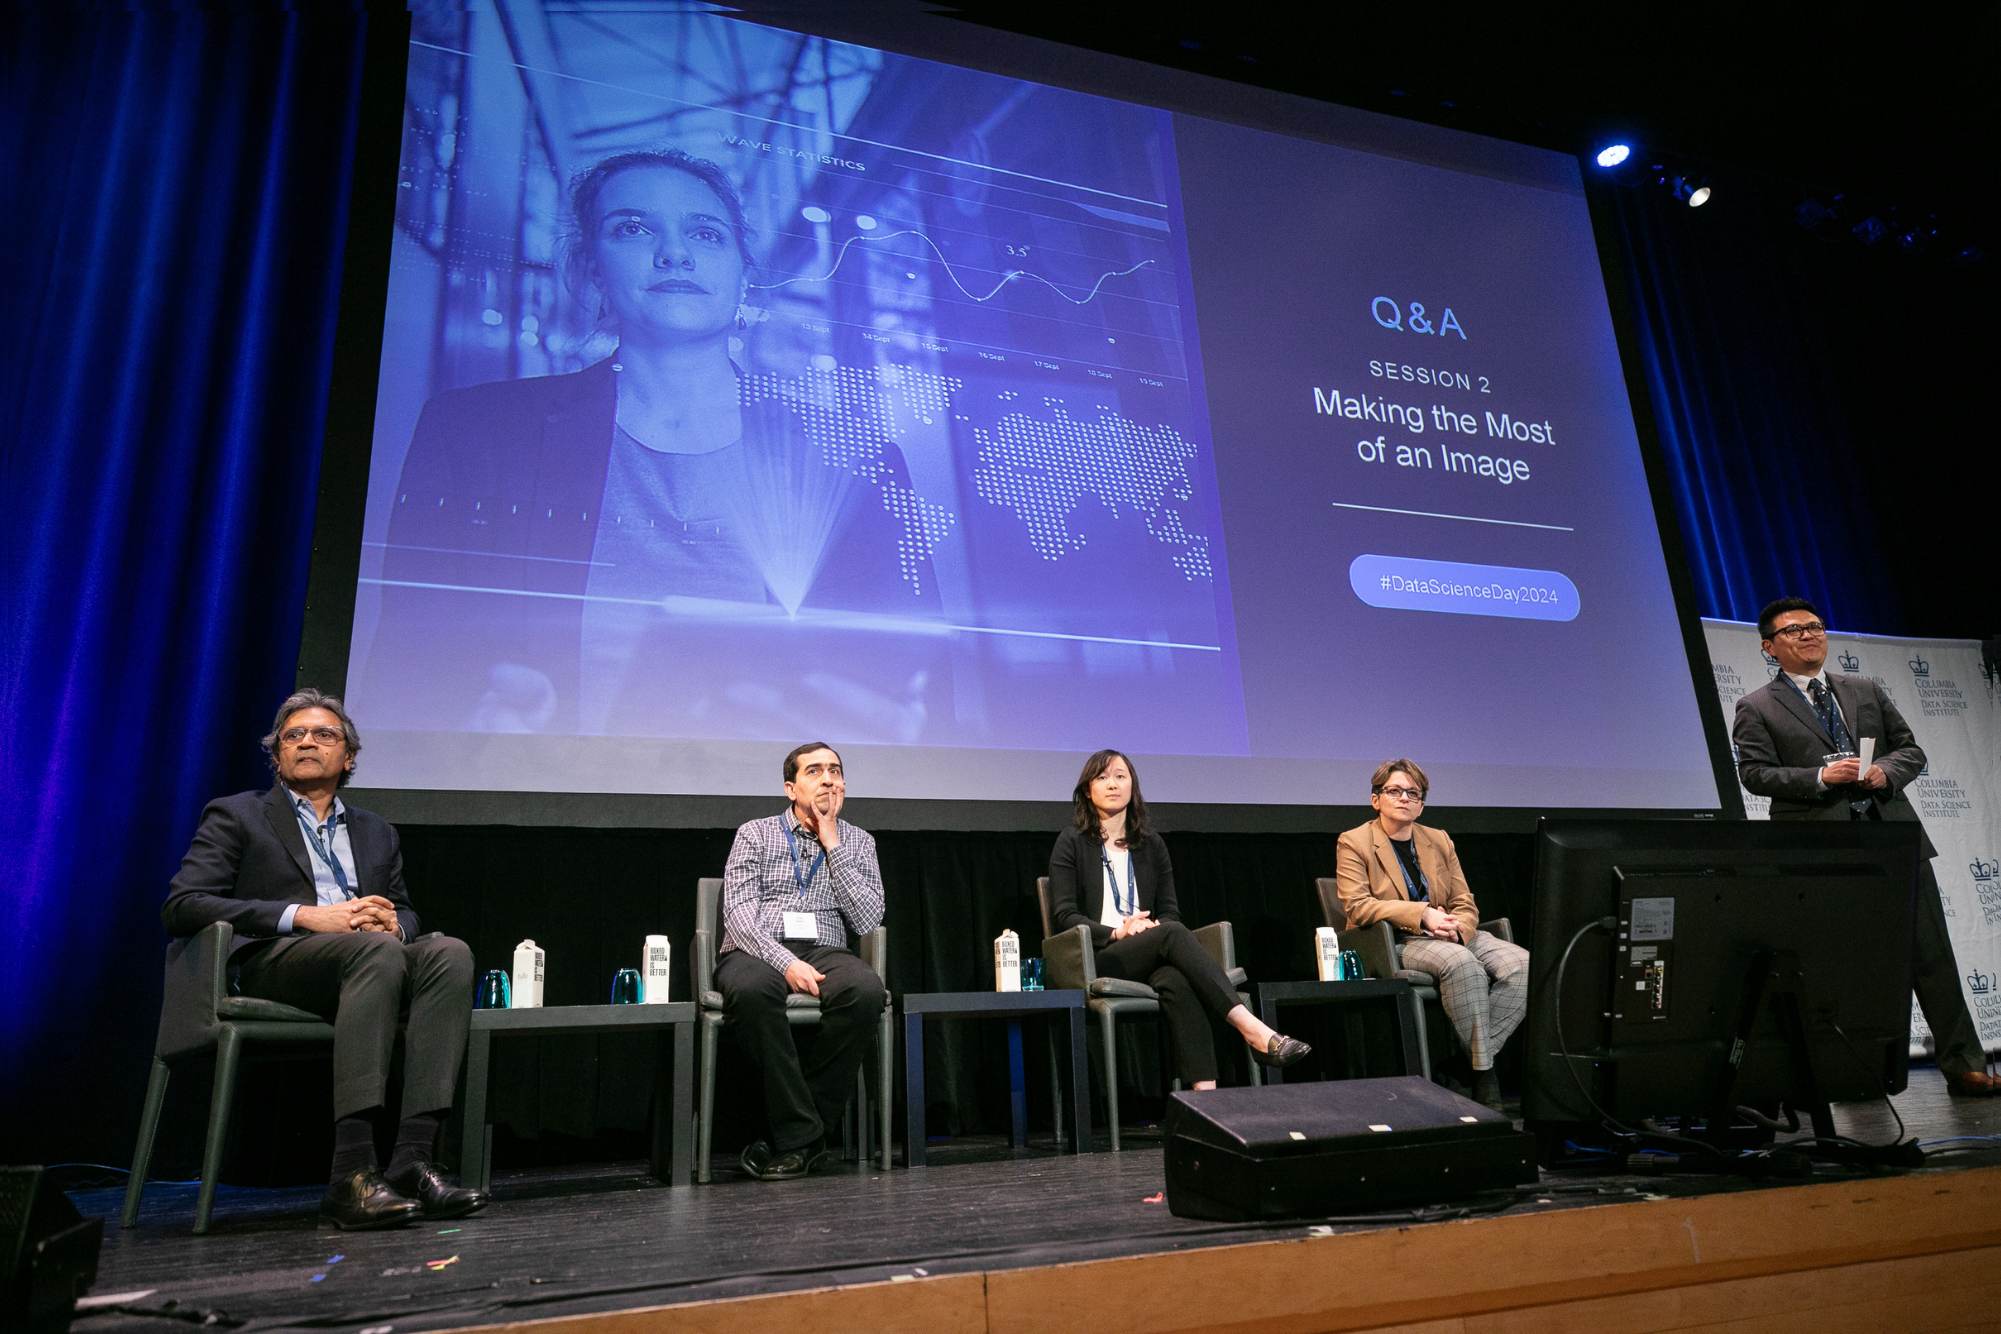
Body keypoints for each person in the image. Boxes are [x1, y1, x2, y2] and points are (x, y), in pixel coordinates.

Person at [358, 148, 941, 739]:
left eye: (707, 234)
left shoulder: (855, 457)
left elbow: (919, 679)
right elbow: (405, 666)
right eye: (632, 228)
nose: (676, 253)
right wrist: (461, 734)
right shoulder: (475, 431)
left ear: (744, 275)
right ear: (591, 270)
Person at [161, 690, 486, 1228]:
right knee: (375, 952)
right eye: (294, 736)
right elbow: (184, 904)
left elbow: (404, 909)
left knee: (449, 954)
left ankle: (412, 1160)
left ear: (348, 757)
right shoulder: (238, 815)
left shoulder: (376, 830)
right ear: (278, 756)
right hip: (277, 962)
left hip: (368, 958)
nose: (308, 741)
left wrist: (395, 923)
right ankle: (352, 1172)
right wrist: (305, 915)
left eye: (324, 735)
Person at [1732, 596, 1996, 1097]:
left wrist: (1885, 773)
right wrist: (1819, 775)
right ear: (1770, 647)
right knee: (1838, 964)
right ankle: (1849, 1071)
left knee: (1931, 956)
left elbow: (1910, 750)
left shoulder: (1864, 689)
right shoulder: (1756, 705)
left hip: (1893, 840)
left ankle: (1964, 1064)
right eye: (1794, 631)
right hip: (1820, 851)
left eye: (1815, 626)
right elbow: (1754, 773)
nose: (1809, 635)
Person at [1047, 750, 1308, 1088]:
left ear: (1133, 786)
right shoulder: (1072, 842)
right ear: (1087, 790)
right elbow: (1065, 915)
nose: (1112, 784)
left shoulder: (1151, 845)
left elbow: (1170, 911)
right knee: (1171, 934)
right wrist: (1118, 932)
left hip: (1149, 948)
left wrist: (1149, 929)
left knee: (1176, 978)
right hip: (1100, 955)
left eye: (1121, 776)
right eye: (1102, 777)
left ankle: (1206, 1100)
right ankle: (1253, 1029)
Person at [717, 741, 888, 1179]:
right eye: (815, 771)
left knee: (866, 991)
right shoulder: (754, 833)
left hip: (826, 949)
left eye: (835, 770)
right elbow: (737, 916)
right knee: (755, 990)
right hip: (755, 946)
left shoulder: (859, 841)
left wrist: (833, 842)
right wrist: (783, 962)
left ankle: (790, 1136)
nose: (828, 778)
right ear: (791, 788)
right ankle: (806, 1137)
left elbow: (867, 918)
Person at [1333, 758, 1529, 1110]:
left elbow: (1463, 901)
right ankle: (1485, 1076)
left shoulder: (1438, 840)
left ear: (1421, 803)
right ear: (1376, 798)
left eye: (1413, 793)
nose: (1404, 798)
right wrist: (1421, 915)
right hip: (1396, 939)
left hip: (1450, 934)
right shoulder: (1355, 841)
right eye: (1394, 791)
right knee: (1462, 964)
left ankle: (1463, 1064)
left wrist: (1459, 930)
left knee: (1523, 965)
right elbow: (1358, 905)